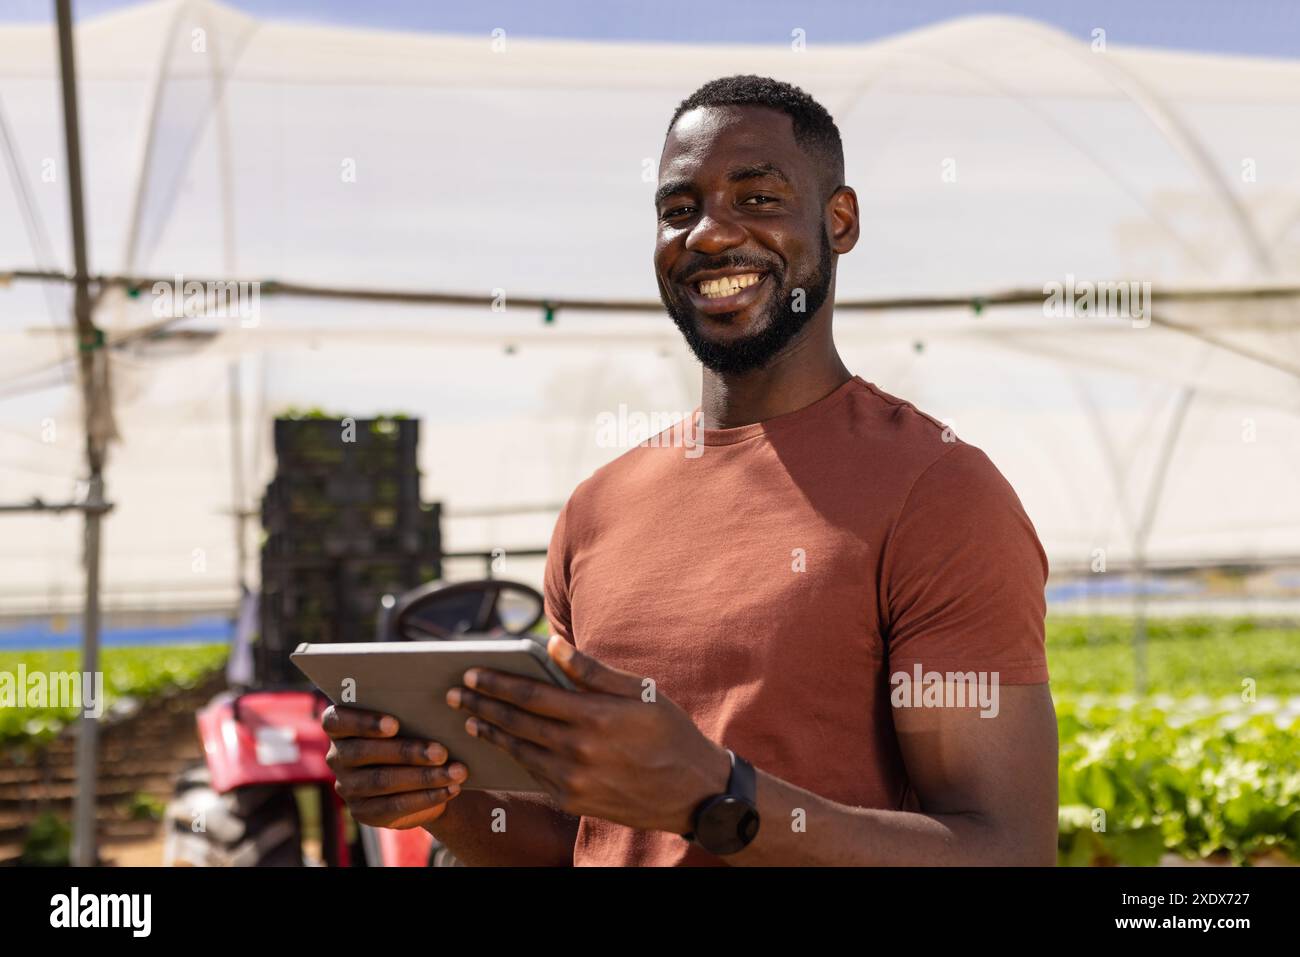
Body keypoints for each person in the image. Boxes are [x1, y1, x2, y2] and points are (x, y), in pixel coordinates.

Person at [322, 75, 1058, 866]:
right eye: (679, 210)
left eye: (757, 199)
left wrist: (719, 796)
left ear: (838, 222)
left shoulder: (941, 494)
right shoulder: (597, 511)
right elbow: (586, 841)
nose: (708, 234)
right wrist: (443, 803)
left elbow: (1006, 850)